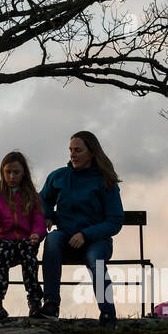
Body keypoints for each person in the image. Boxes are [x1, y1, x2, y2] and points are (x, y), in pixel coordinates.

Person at [39, 131, 124, 324]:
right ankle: (51, 304)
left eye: (78, 150)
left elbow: (115, 220)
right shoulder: (58, 177)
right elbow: (43, 198)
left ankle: (108, 314)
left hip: (96, 241)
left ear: (92, 152)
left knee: (96, 261)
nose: (72, 154)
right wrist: (47, 215)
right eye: (70, 150)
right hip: (65, 239)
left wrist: (85, 234)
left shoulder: (105, 181)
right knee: (52, 239)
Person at [0, 151, 47, 321]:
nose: (11, 176)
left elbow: (39, 220)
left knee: (28, 253)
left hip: (27, 241)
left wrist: (36, 234)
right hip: (5, 241)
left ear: (24, 172)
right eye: (8, 172)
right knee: (2, 252)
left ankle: (34, 302)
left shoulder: (33, 196)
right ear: (2, 172)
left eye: (16, 172)